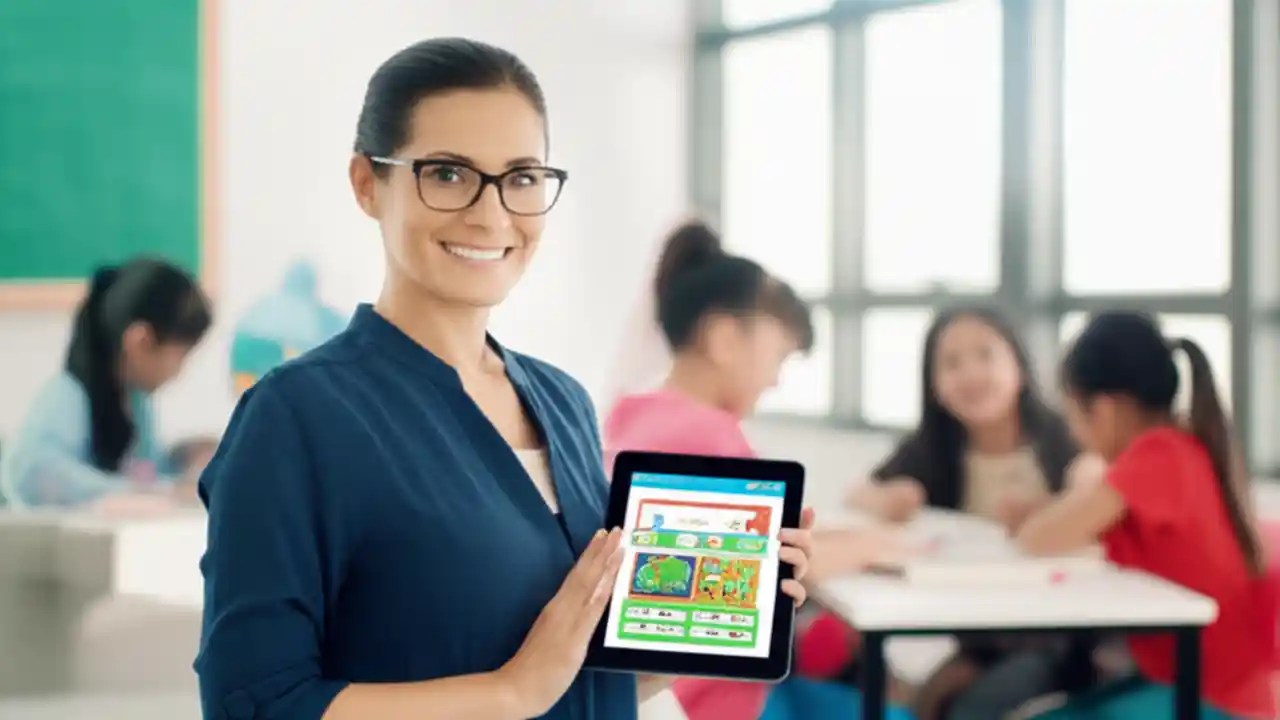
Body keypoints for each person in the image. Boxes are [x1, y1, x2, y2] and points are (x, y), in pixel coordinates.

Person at [194, 38, 814, 720]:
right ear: (368, 183)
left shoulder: (564, 403)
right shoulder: (297, 415)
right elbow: (252, 704)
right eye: (449, 173)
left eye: (521, 178)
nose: (491, 215)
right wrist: (511, 691)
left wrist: (706, 630)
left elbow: (575, 683)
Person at [605, 220, 910, 720]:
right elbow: (765, 568)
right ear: (725, 338)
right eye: (777, 358)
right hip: (708, 704)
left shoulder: (639, 413)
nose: (774, 380)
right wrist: (876, 546)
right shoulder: (706, 435)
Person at [1016, 312, 1277, 720]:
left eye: (1073, 417)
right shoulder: (1183, 447)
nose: (1075, 435)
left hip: (1209, 702)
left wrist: (1081, 485)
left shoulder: (1155, 456)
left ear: (1102, 409)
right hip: (1203, 689)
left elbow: (1039, 539)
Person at [846, 308, 1102, 720]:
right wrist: (889, 499)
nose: (970, 374)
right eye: (951, 363)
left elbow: (1096, 486)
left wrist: (1051, 512)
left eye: (985, 356)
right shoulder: (936, 447)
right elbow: (860, 491)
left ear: (1019, 366)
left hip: (1054, 637)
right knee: (909, 692)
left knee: (969, 708)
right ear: (934, 385)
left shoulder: (1059, 436)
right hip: (972, 635)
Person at [1, 258, 212, 510]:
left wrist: (183, 462)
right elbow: (31, 472)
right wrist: (143, 493)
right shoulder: (69, 395)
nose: (179, 372)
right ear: (140, 341)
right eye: (180, 356)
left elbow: (144, 472)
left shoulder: (137, 404)